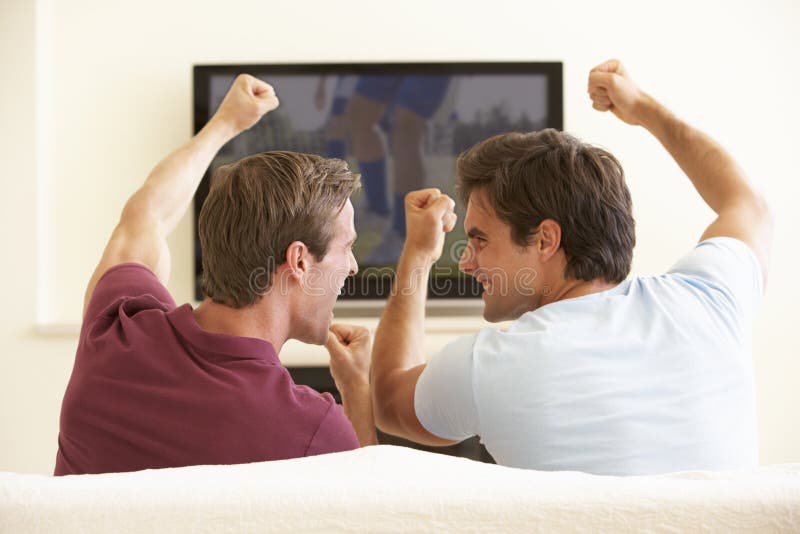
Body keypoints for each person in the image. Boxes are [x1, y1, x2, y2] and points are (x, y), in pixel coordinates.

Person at [370, 59, 773, 476]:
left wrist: (417, 254)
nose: (467, 262)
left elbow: (386, 399)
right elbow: (746, 202)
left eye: (479, 240)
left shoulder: (487, 367)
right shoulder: (710, 298)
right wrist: (644, 110)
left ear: (545, 239)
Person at [55, 74, 376, 476]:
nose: (353, 265)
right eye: (346, 247)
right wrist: (358, 390)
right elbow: (370, 506)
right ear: (299, 261)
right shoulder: (314, 431)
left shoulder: (111, 338)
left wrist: (225, 123)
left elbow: (146, 215)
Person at [347, 75, 452, 264]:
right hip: (390, 51)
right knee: (359, 113)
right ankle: (378, 210)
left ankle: (403, 234)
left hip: (430, 53)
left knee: (406, 124)